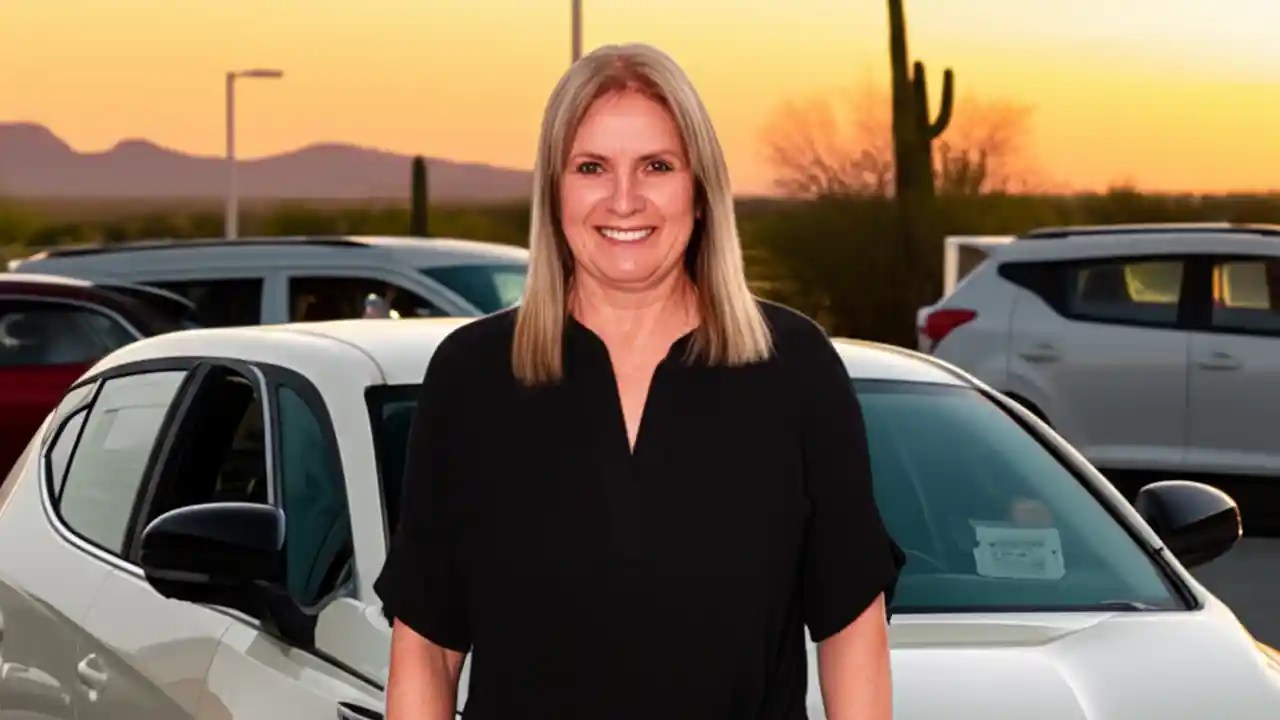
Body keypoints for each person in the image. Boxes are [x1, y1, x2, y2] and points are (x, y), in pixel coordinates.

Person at [375, 42, 905, 719]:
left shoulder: (794, 370)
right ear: (554, 191)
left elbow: (851, 627)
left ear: (700, 189)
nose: (624, 200)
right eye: (591, 167)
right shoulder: (472, 378)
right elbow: (427, 647)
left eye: (656, 166)